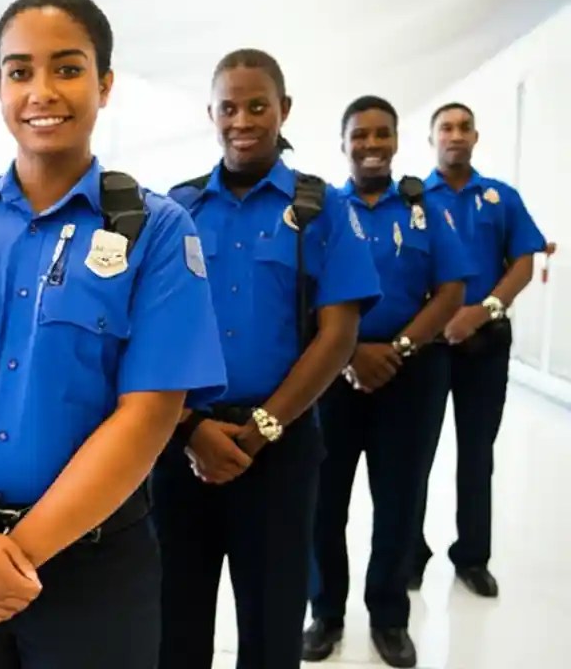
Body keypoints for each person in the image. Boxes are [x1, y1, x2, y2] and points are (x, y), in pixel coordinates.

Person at [0, 0, 227, 669]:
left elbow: (149, 413)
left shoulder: (157, 232)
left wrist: (11, 560)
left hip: (92, 570)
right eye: (20, 71)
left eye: (67, 67)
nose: (42, 91)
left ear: (105, 84)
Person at [156, 49, 383, 669]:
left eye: (258, 106)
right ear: (211, 113)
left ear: (284, 110)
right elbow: (148, 333)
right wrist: (192, 429)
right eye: (229, 107)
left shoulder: (320, 208)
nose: (243, 120)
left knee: (272, 625)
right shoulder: (175, 211)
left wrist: (261, 430)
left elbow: (337, 336)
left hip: (280, 447)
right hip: (179, 445)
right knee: (172, 623)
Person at [302, 96, 472, 668]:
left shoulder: (424, 209)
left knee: (400, 500)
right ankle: (325, 612)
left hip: (411, 373)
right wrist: (348, 353)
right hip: (330, 373)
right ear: (343, 142)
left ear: (398, 141)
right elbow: (305, 293)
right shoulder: (322, 210)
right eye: (360, 135)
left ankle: (389, 617)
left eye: (382, 135)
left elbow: (451, 291)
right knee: (324, 500)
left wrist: (397, 349)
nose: (371, 146)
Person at [409, 102, 547, 598]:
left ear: (475, 136)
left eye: (464, 127)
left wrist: (482, 310)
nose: (456, 134)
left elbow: (524, 262)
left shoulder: (501, 198)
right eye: (446, 127)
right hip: (429, 345)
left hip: (485, 343)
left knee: (476, 453)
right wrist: (437, 320)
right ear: (432, 139)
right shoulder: (414, 200)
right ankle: (408, 554)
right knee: (414, 455)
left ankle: (472, 556)